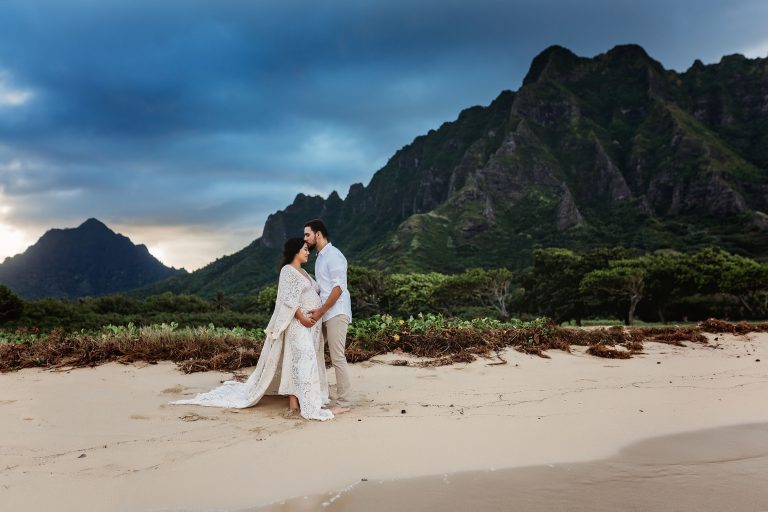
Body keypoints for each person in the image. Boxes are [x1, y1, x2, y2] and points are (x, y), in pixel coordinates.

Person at [171, 238, 348, 420]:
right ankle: (300, 404)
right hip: (299, 325)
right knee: (301, 362)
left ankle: (299, 400)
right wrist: (303, 318)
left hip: (311, 327)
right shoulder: (288, 271)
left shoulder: (304, 272)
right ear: (295, 251)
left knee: (301, 362)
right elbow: (287, 300)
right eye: (304, 249)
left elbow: (312, 291)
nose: (307, 252)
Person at [303, 219, 352, 407]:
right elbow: (322, 289)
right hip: (325, 313)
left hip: (336, 312)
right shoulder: (320, 257)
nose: (305, 238)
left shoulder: (334, 255)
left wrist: (321, 311)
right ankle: (319, 392)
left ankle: (345, 402)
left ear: (318, 234)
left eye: (307, 234)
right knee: (312, 349)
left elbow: (339, 288)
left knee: (337, 356)